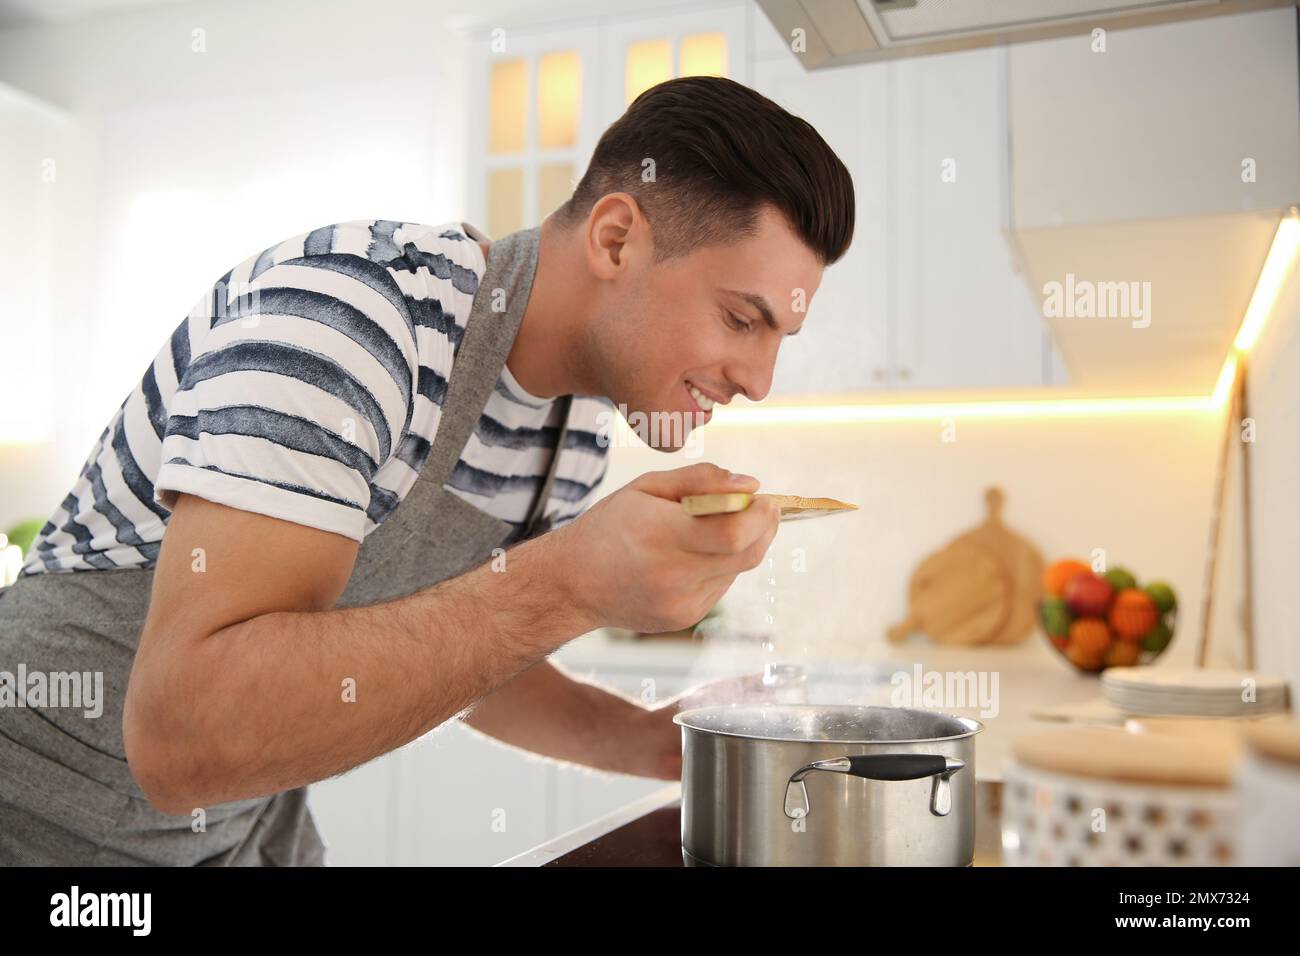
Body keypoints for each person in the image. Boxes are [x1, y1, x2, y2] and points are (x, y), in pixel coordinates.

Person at [0, 75, 854, 864]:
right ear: (617, 237)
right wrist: (565, 583)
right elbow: (185, 735)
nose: (759, 380)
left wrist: (650, 742)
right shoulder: (351, 317)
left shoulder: (575, 433)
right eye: (743, 319)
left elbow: (452, 645)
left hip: (237, 837)